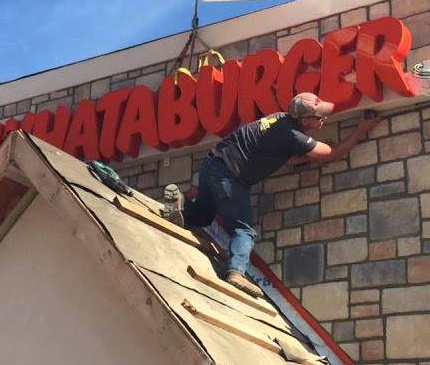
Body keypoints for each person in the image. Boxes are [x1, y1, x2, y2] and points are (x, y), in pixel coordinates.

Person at [164, 92, 382, 298]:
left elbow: (283, 158)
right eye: (320, 117)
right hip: (229, 176)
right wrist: (362, 129)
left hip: (213, 163)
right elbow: (333, 155)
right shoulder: (291, 135)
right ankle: (236, 273)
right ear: (305, 121)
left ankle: (180, 205)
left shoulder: (279, 119)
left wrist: (310, 156)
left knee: (203, 215)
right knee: (243, 230)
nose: (323, 120)